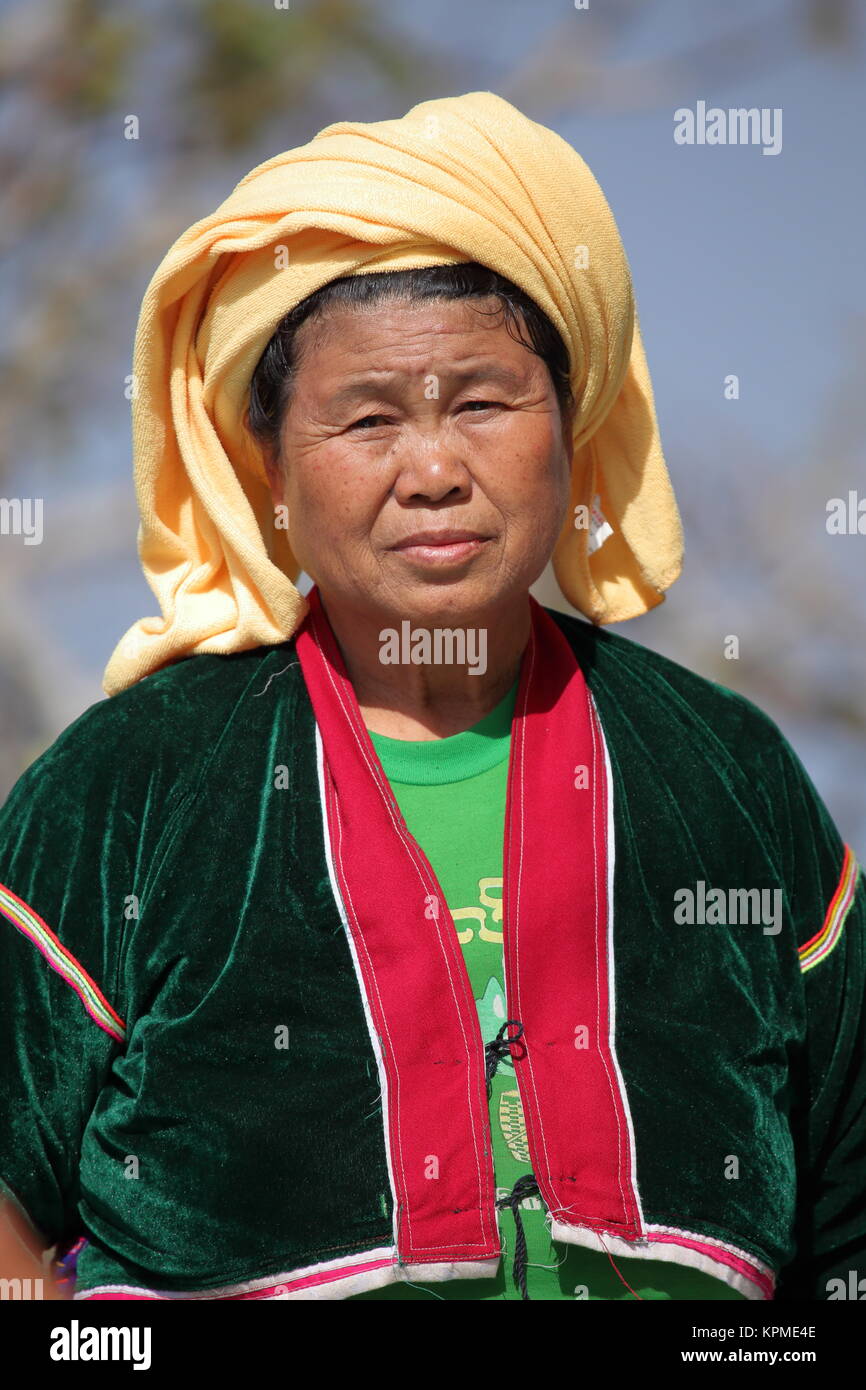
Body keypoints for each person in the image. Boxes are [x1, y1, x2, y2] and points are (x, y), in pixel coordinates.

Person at [0, 91, 863, 1303]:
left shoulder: (724, 772)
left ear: (570, 427)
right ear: (274, 469)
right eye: (365, 418)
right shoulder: (129, 784)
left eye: (481, 401)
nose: (434, 470)